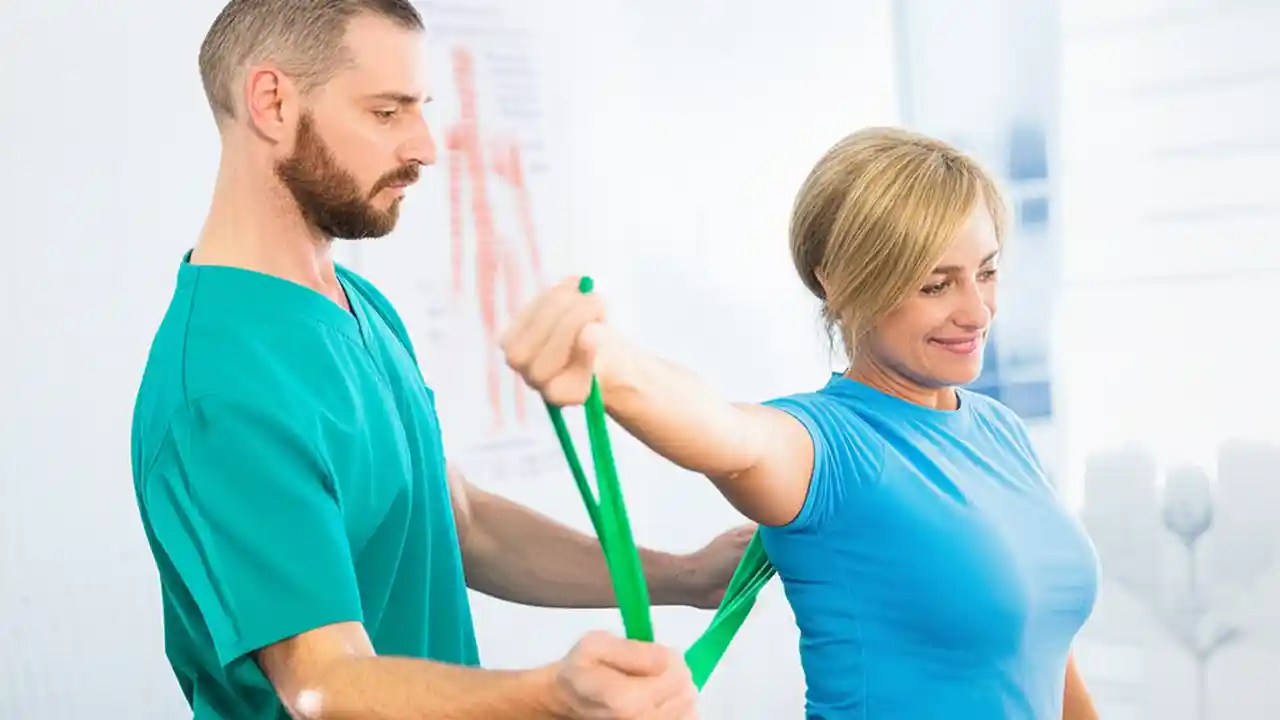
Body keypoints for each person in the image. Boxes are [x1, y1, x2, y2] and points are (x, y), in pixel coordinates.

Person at [129, 2, 750, 718]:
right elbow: (321, 681)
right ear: (272, 102)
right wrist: (552, 696)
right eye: (387, 112)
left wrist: (684, 576)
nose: (425, 147)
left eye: (421, 110)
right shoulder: (220, 390)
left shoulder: (352, 302)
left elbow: (461, 521)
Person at [503, 127, 1103, 719]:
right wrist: (608, 366)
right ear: (839, 284)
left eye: (987, 272)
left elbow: (1045, 650)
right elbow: (726, 434)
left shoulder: (1000, 430)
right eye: (935, 285)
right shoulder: (827, 447)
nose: (976, 311)